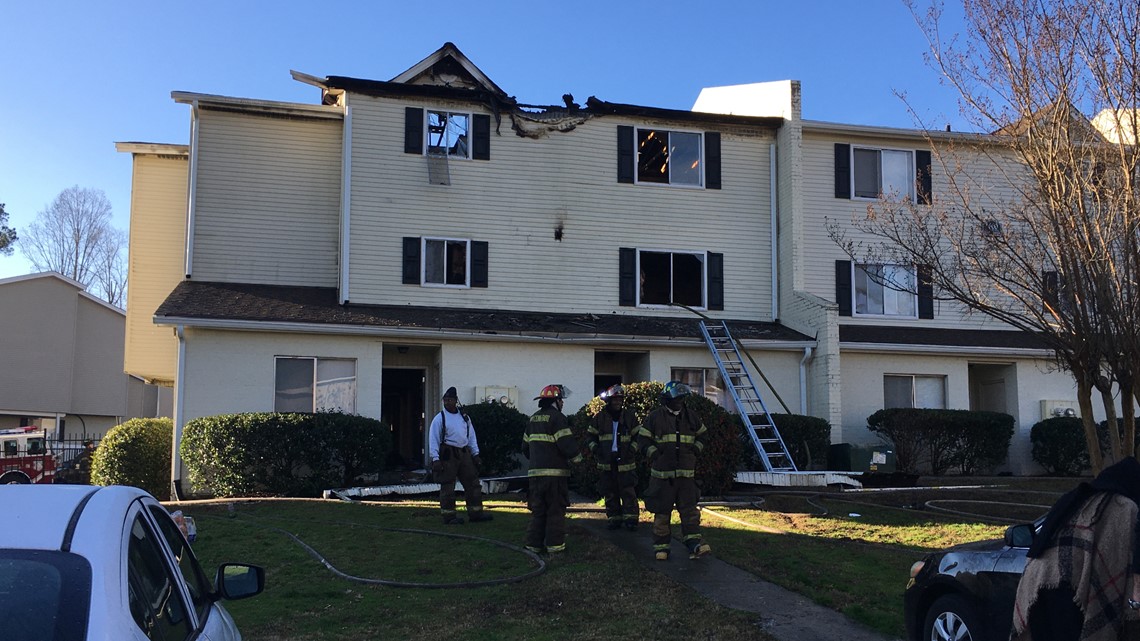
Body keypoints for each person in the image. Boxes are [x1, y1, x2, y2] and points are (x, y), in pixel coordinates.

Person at [1011, 456, 1140, 640]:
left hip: (1036, 587)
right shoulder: (1125, 508)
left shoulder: (1076, 499)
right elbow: (1116, 562)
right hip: (1070, 594)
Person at [634, 381, 711, 561]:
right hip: (662, 476)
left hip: (686, 476)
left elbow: (703, 435)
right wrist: (655, 455)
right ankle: (661, 547)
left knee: (690, 512)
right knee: (662, 512)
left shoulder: (691, 417)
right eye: (676, 399)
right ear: (667, 399)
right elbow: (643, 440)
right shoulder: (655, 417)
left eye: (682, 399)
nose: (679, 402)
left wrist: (696, 450)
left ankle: (694, 545)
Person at [523, 384, 583, 554]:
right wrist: (578, 461)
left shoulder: (532, 419)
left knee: (538, 511)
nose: (562, 403)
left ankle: (533, 545)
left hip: (535, 476)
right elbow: (567, 445)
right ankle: (555, 547)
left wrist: (536, 460)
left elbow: (525, 447)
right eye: (561, 400)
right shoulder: (558, 418)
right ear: (556, 401)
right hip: (555, 477)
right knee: (555, 511)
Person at [428, 386, 492, 525]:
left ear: (456, 401)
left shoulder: (464, 417)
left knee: (473, 483)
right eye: (445, 400)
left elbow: (471, 436)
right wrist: (435, 458)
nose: (447, 403)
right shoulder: (440, 418)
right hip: (448, 455)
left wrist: (475, 454)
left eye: (449, 400)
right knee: (448, 486)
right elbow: (433, 439)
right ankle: (449, 517)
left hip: (464, 453)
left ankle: (476, 513)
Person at [585, 384, 639, 531]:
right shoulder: (600, 417)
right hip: (606, 461)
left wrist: (632, 450)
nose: (618, 402)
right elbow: (590, 436)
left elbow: (638, 436)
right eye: (615, 399)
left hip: (626, 461)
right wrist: (595, 449)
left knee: (628, 491)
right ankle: (614, 519)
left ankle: (631, 520)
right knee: (610, 492)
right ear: (609, 400)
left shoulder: (629, 417)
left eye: (620, 399)